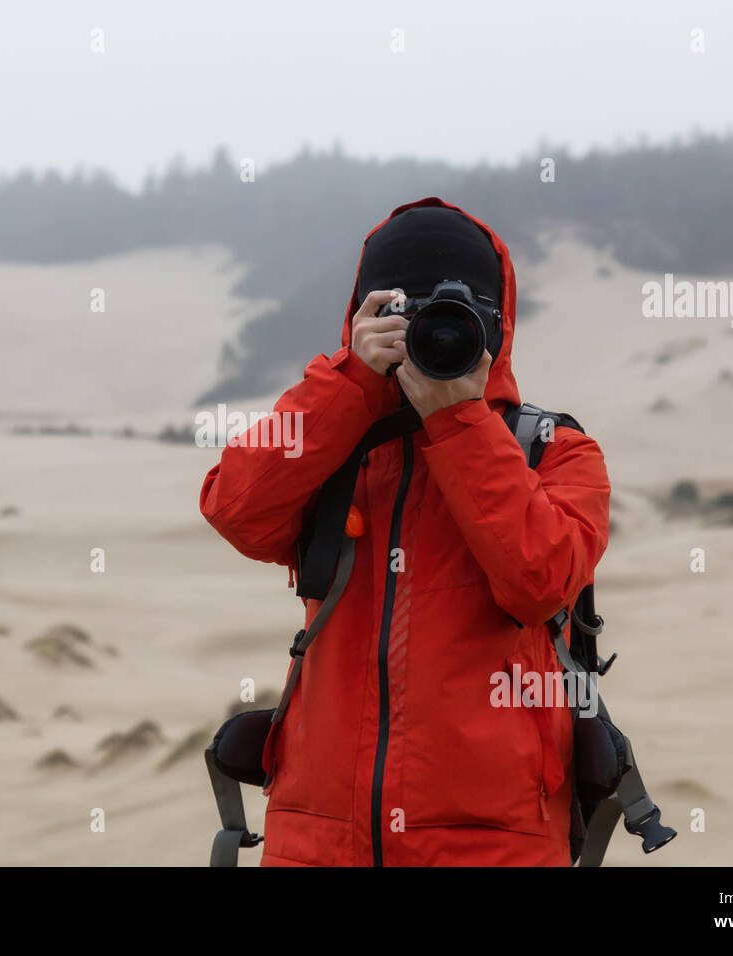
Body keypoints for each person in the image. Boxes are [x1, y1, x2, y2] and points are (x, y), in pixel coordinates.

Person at [199, 197, 613, 866]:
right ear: (363, 318)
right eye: (402, 313)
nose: (431, 334)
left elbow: (539, 579)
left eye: (456, 318)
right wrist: (350, 384)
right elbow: (236, 509)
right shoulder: (338, 447)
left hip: (490, 847)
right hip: (318, 841)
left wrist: (460, 424)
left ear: (496, 330)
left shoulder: (554, 450)